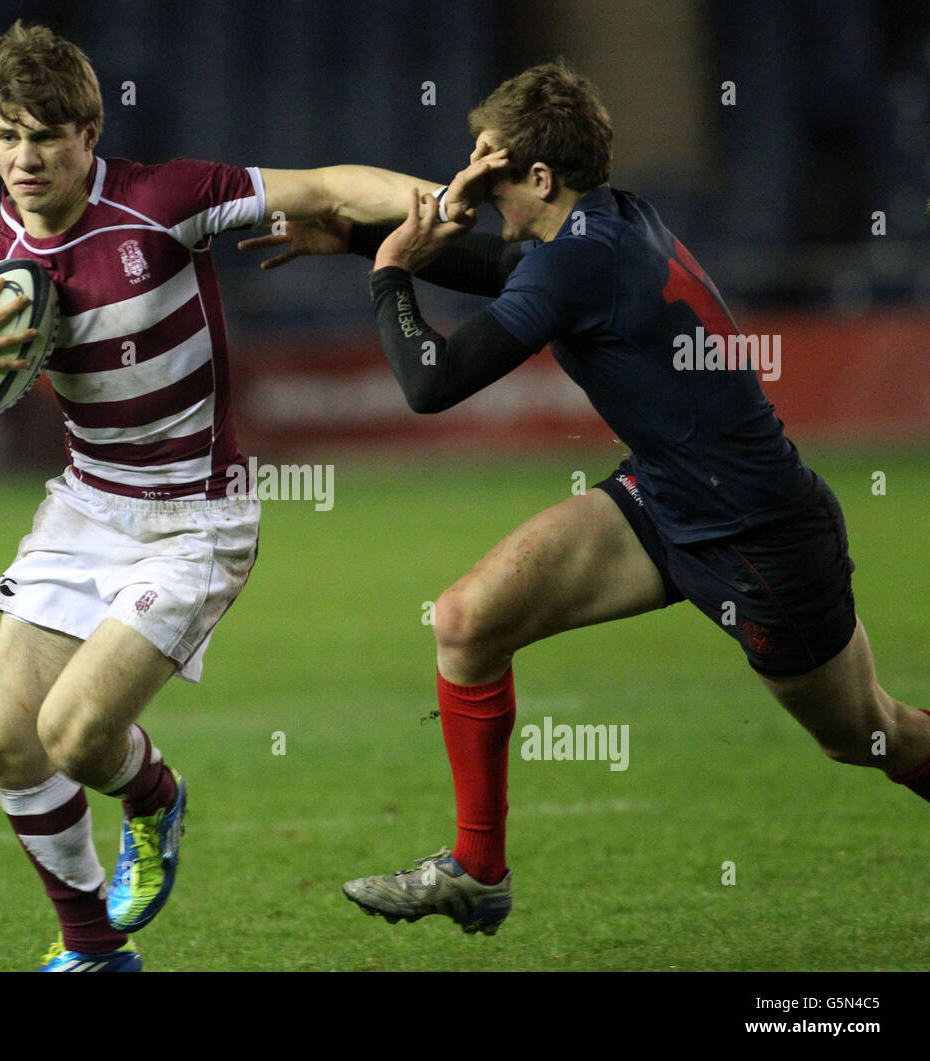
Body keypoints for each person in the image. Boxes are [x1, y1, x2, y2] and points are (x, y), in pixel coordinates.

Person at [241, 59, 930, 936]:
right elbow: (505, 266)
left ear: (537, 175)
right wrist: (344, 236)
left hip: (760, 536)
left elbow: (431, 381)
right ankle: (478, 871)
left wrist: (386, 272)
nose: (476, 177)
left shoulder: (586, 256)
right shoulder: (611, 220)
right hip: (664, 497)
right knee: (467, 618)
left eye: (491, 164)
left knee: (867, 734)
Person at [0, 20, 440, 971]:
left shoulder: (162, 201)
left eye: (47, 136)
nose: (25, 158)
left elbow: (326, 187)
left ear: (90, 132)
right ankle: (95, 952)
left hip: (196, 517)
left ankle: (154, 798)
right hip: (85, 508)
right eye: (6, 135)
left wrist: (435, 201)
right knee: (8, 747)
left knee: (72, 733)